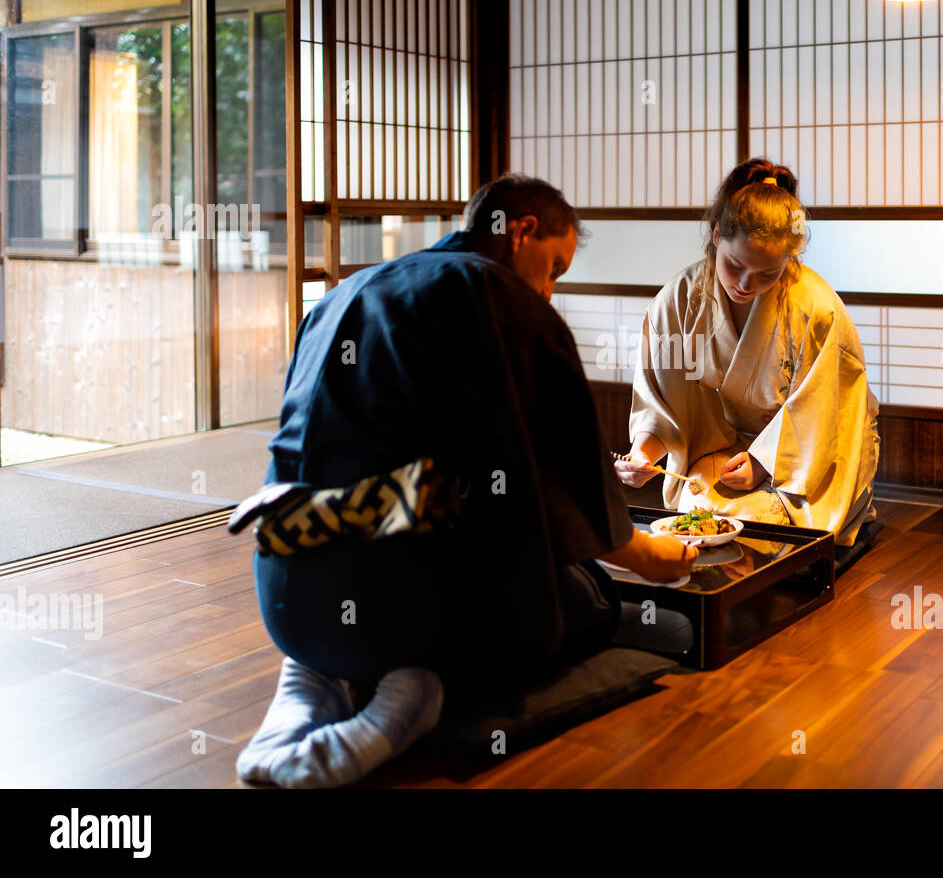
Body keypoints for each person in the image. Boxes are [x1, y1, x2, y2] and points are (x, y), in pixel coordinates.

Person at [236, 173, 697, 788]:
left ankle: (315, 676)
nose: (550, 291)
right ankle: (412, 694)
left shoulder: (348, 291)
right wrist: (651, 557)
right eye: (554, 267)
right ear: (522, 231)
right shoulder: (499, 297)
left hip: (287, 596)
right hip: (404, 617)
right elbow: (564, 482)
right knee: (626, 611)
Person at [614, 158, 880, 548]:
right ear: (717, 233)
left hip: (809, 463)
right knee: (700, 510)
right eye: (734, 265)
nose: (744, 284)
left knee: (752, 527)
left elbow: (828, 416)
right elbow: (665, 401)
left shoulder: (815, 309)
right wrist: (643, 455)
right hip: (724, 449)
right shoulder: (679, 300)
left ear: (790, 256)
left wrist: (763, 463)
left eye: (767, 273)